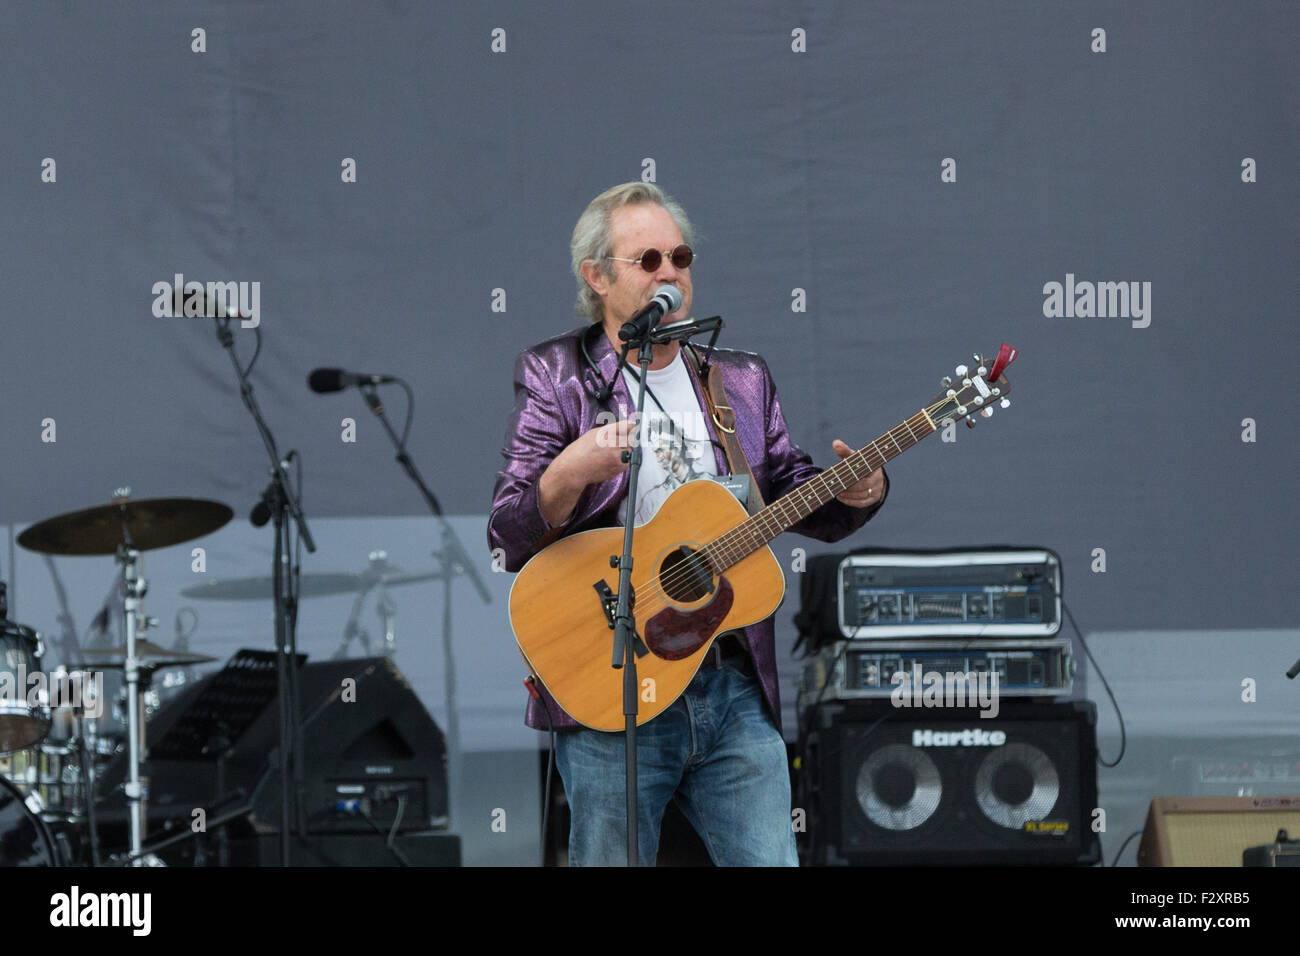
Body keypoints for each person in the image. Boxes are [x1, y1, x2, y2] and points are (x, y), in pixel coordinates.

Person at [488, 182, 888, 866]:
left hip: (729, 679)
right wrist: (570, 470)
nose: (669, 272)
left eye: (681, 257)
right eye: (648, 260)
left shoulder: (741, 378)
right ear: (597, 276)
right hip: (612, 675)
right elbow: (510, 532)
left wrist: (858, 492)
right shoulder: (558, 375)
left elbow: (787, 489)